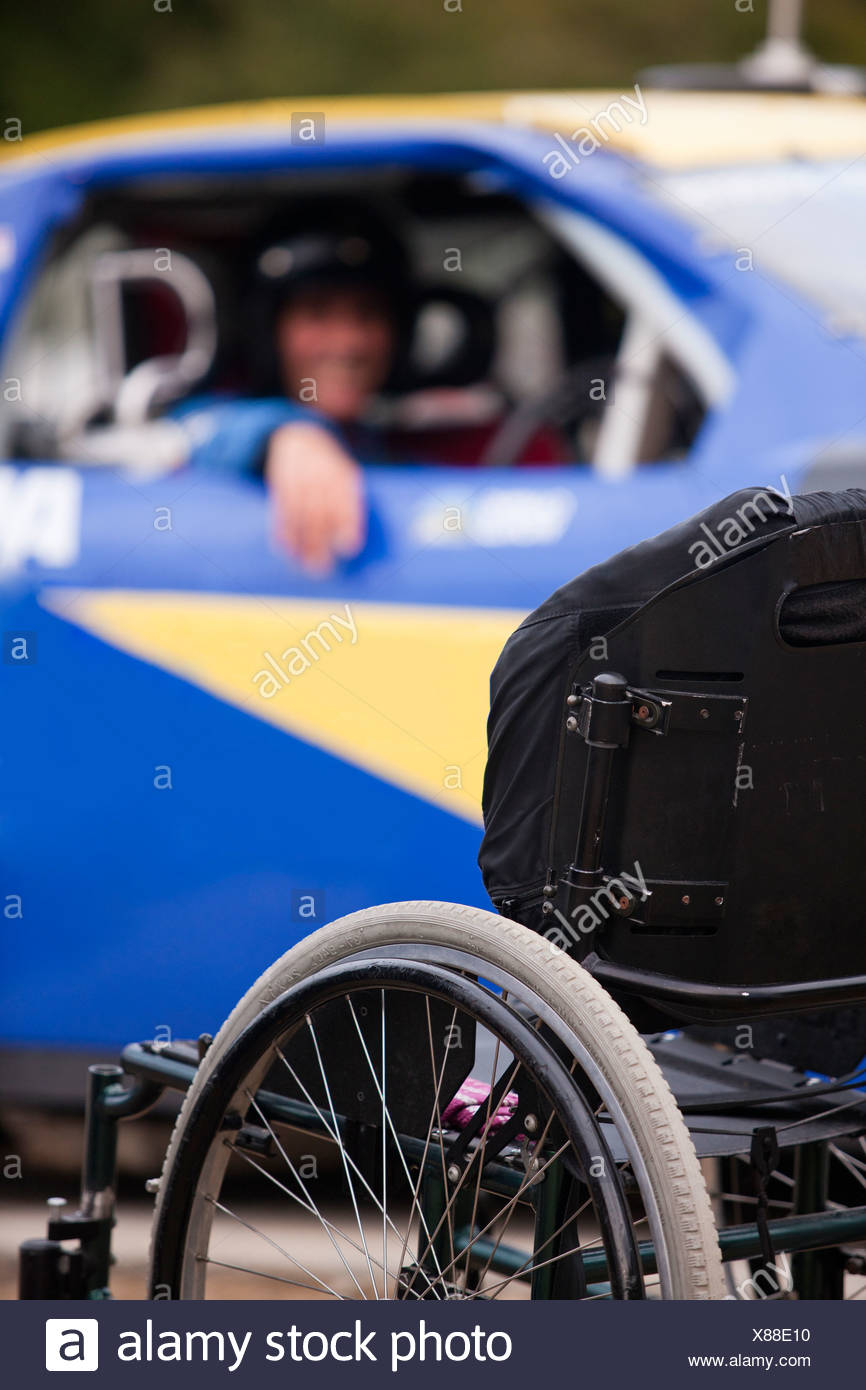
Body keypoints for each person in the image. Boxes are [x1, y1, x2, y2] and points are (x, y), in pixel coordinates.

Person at [173, 205, 563, 573]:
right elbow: (186, 434)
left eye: (368, 314)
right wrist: (287, 435)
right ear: (267, 332)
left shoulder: (396, 454)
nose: (348, 343)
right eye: (317, 313)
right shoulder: (216, 432)